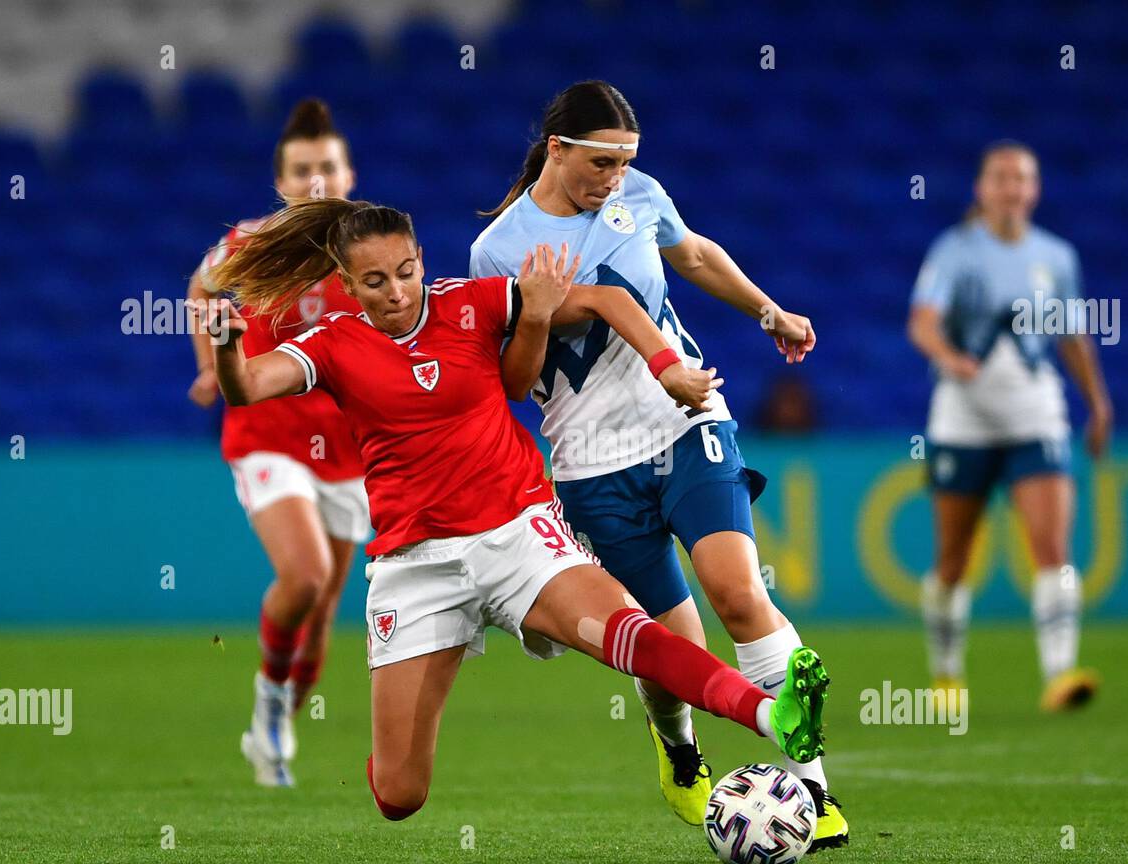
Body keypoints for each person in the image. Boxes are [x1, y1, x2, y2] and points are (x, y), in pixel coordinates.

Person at [194, 198, 829, 823]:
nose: (396, 292)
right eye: (375, 281)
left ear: (422, 260)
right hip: (416, 565)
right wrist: (228, 347)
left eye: (406, 272)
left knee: (635, 637)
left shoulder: (474, 302)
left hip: (517, 534)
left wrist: (662, 365)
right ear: (347, 284)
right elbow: (246, 387)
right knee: (399, 795)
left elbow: (607, 300)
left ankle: (771, 715)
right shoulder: (332, 344)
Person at [470, 80, 847, 848]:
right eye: (601, 163)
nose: (614, 178)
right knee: (674, 648)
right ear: (558, 149)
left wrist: (769, 310)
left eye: (625, 163)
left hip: (686, 418)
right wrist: (536, 312)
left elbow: (696, 255)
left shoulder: (638, 193)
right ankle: (680, 751)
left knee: (739, 594)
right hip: (591, 461)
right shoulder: (497, 250)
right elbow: (513, 380)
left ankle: (813, 786)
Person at [186, 99, 367, 787]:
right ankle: (267, 697)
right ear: (281, 180)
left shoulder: (370, 251)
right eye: (302, 170)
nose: (316, 181)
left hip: (347, 452)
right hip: (268, 436)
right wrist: (211, 364)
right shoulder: (250, 244)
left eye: (327, 167)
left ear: (348, 172)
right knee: (306, 574)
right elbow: (202, 287)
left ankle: (278, 720)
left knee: (321, 619)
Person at [907, 140, 1112, 712]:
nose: (1012, 187)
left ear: (1035, 189)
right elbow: (922, 322)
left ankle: (1060, 674)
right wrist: (948, 358)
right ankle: (946, 675)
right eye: (1001, 177)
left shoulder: (1057, 256)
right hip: (964, 413)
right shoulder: (954, 250)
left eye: (1022, 178)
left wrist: (1097, 402)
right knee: (954, 556)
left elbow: (1072, 336)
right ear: (982, 187)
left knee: (1051, 545)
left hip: (1034, 408)